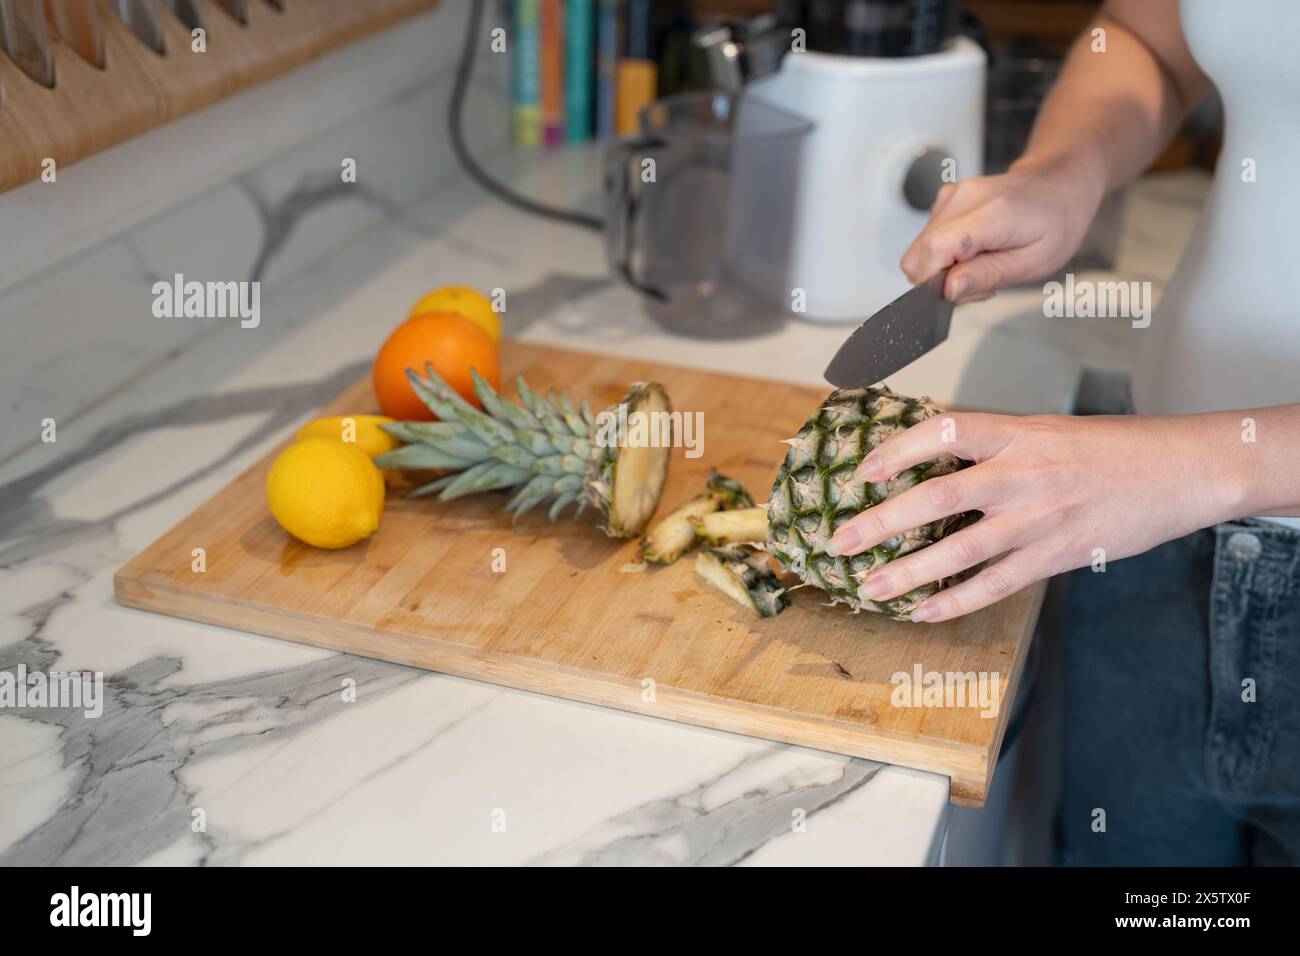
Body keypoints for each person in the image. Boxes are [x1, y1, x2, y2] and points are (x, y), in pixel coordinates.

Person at [828, 0, 1300, 865]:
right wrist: (1066, 171)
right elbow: (1145, 37)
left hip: (1155, 483)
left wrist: (1201, 467)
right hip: (1139, 531)